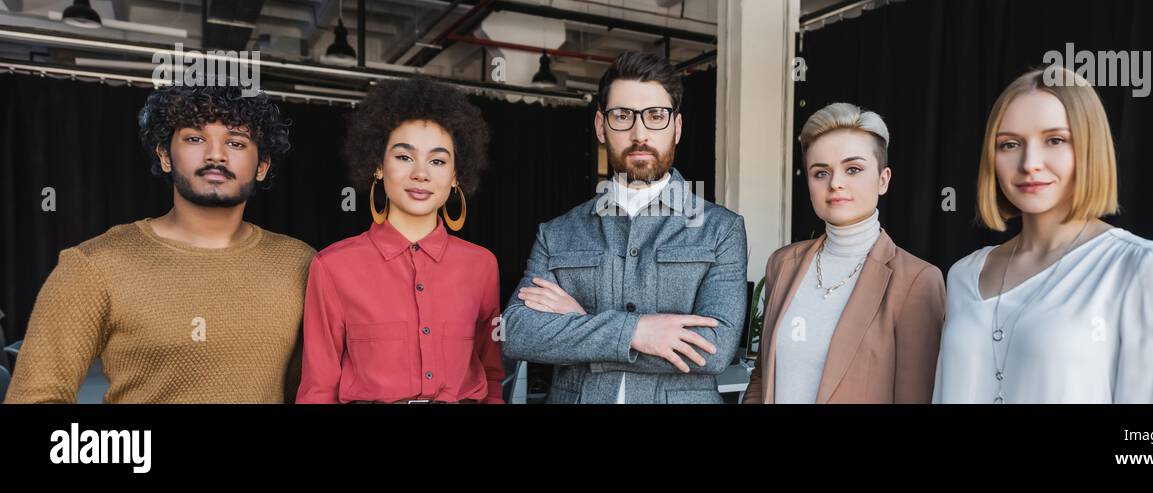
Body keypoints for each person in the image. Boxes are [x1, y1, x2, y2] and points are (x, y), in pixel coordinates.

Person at [6, 85, 313, 403]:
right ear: (165, 155)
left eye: (235, 142)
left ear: (262, 166)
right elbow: (34, 396)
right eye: (195, 138)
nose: (215, 155)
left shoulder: (301, 264)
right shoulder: (94, 265)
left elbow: (316, 389)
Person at [932, 66, 1153, 404]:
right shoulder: (964, 274)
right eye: (1010, 144)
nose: (1030, 162)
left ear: (1090, 148)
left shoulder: (1144, 269)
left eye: (1055, 140)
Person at [501, 52, 747, 404]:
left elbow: (712, 350)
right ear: (601, 126)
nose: (640, 133)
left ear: (677, 127)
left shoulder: (721, 230)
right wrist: (637, 332)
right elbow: (518, 333)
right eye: (622, 116)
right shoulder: (556, 233)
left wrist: (581, 322)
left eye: (656, 116)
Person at [295, 77, 504, 404]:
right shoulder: (333, 267)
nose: (421, 173)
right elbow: (318, 390)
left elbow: (492, 375)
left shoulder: (482, 266)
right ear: (378, 165)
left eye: (437, 161)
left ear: (455, 176)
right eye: (404, 157)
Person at [743, 103, 945, 404]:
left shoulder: (918, 281)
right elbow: (762, 376)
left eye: (853, 169)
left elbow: (917, 397)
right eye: (821, 172)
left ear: (883, 179)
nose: (836, 183)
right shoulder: (782, 264)